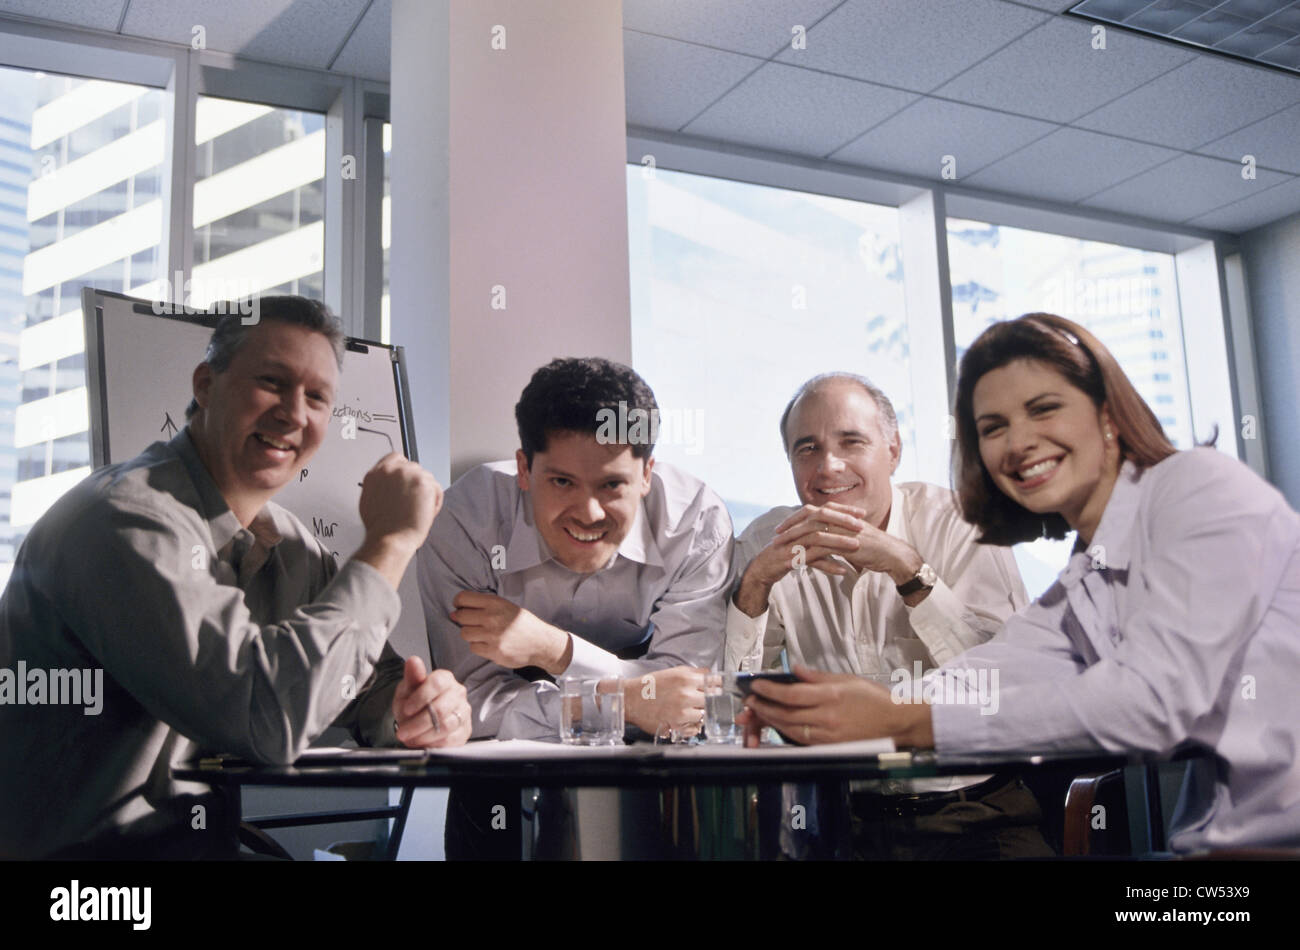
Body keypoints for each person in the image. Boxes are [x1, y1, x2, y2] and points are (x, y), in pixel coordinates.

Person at [741, 313, 1300, 853]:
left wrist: (903, 718)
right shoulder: (1088, 574)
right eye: (994, 427)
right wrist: (863, 706)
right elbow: (995, 671)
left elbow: (1154, 700)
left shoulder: (1198, 486)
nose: (1019, 442)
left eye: (1044, 409)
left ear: (1107, 414)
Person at [0, 296, 470, 860]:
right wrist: (390, 542)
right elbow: (266, 720)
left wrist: (416, 710)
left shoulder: (291, 546)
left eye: (316, 397)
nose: (295, 414)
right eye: (272, 382)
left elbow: (365, 686)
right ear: (205, 384)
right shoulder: (127, 520)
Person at [420, 356, 734, 856]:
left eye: (612, 485)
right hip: (499, 779)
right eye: (562, 482)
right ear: (524, 468)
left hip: (647, 775)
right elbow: (469, 705)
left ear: (648, 473)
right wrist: (629, 699)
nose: (589, 513)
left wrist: (553, 648)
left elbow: (681, 705)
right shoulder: (467, 520)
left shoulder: (695, 523)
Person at [727, 372, 1046, 859]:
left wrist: (908, 570)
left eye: (851, 442)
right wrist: (752, 590)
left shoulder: (963, 524)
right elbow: (735, 708)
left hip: (975, 813)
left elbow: (1003, 688)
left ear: (893, 451)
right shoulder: (765, 543)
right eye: (806, 449)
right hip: (839, 822)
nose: (828, 466)